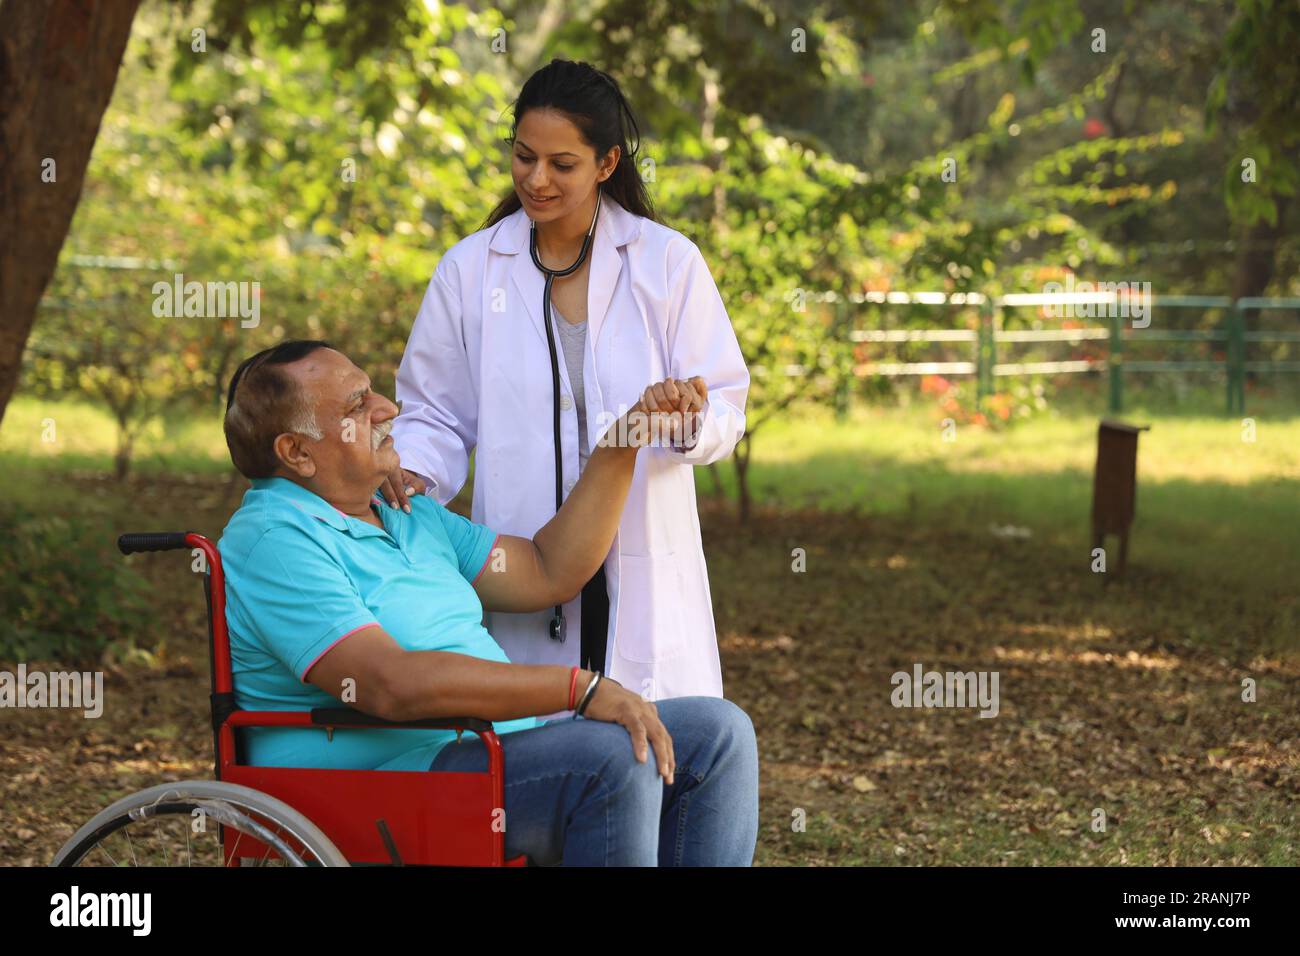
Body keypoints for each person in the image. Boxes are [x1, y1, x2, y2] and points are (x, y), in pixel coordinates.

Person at [217, 340, 758, 865]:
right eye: (358, 405)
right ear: (296, 452)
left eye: (372, 391)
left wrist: (621, 444)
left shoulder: (406, 514)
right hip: (373, 787)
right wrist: (579, 688)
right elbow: (387, 684)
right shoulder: (275, 538)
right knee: (611, 760)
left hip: (482, 757)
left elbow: (548, 571)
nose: (387, 408)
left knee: (717, 736)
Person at [384, 58, 749, 704]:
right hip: (527, 562)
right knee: (546, 764)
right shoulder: (470, 272)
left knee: (656, 756)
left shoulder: (667, 265)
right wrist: (414, 471)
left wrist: (688, 417)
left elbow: (724, 402)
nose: (536, 179)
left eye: (562, 165)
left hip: (642, 562)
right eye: (524, 157)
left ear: (607, 163)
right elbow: (434, 414)